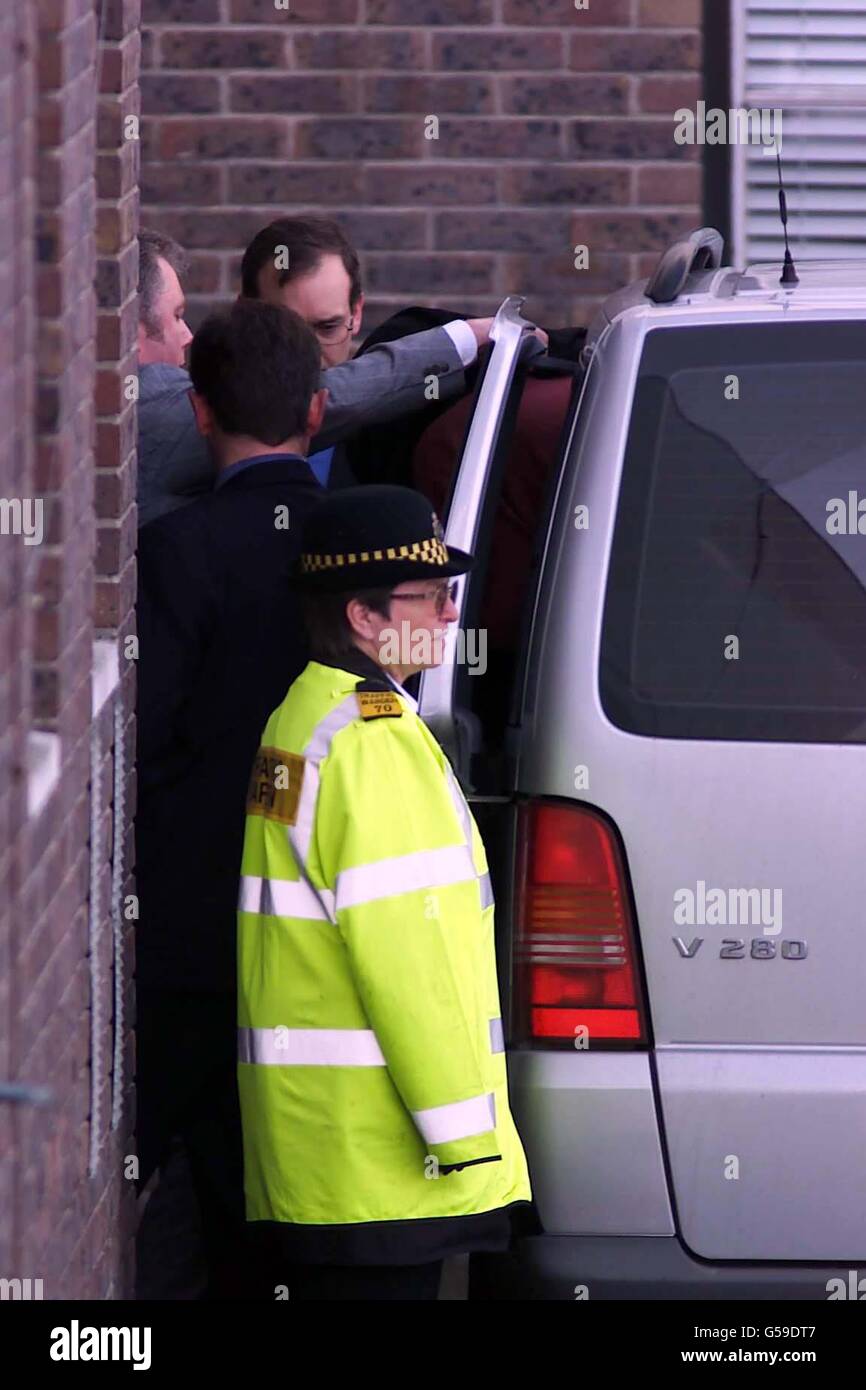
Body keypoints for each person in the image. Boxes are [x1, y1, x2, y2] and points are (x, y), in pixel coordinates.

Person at [237, 486, 535, 1301]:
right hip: (388, 1164)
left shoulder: (300, 718)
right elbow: (412, 957)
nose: (450, 613)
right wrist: (467, 1139)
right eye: (432, 595)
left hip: (318, 1150)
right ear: (366, 619)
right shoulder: (373, 745)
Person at [135, 300, 326, 1298]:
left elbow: (146, 736)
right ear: (319, 406)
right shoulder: (365, 549)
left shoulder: (177, 551)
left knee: (193, 1186)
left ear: (201, 412)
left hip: (197, 932)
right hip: (334, 938)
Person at [136, 222, 498, 523]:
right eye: (178, 315)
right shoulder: (166, 411)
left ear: (357, 312)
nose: (188, 336)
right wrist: (468, 338)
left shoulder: (398, 431)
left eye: (327, 327)